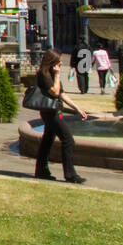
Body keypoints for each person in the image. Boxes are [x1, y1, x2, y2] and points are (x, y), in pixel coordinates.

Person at [33, 49, 88, 184]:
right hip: (50, 112)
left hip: (54, 111)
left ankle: (41, 170)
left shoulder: (50, 74)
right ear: (52, 61)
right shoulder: (44, 75)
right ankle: (70, 174)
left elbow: (62, 94)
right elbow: (55, 92)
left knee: (48, 140)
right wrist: (57, 75)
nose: (61, 63)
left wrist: (77, 109)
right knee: (68, 140)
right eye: (59, 61)